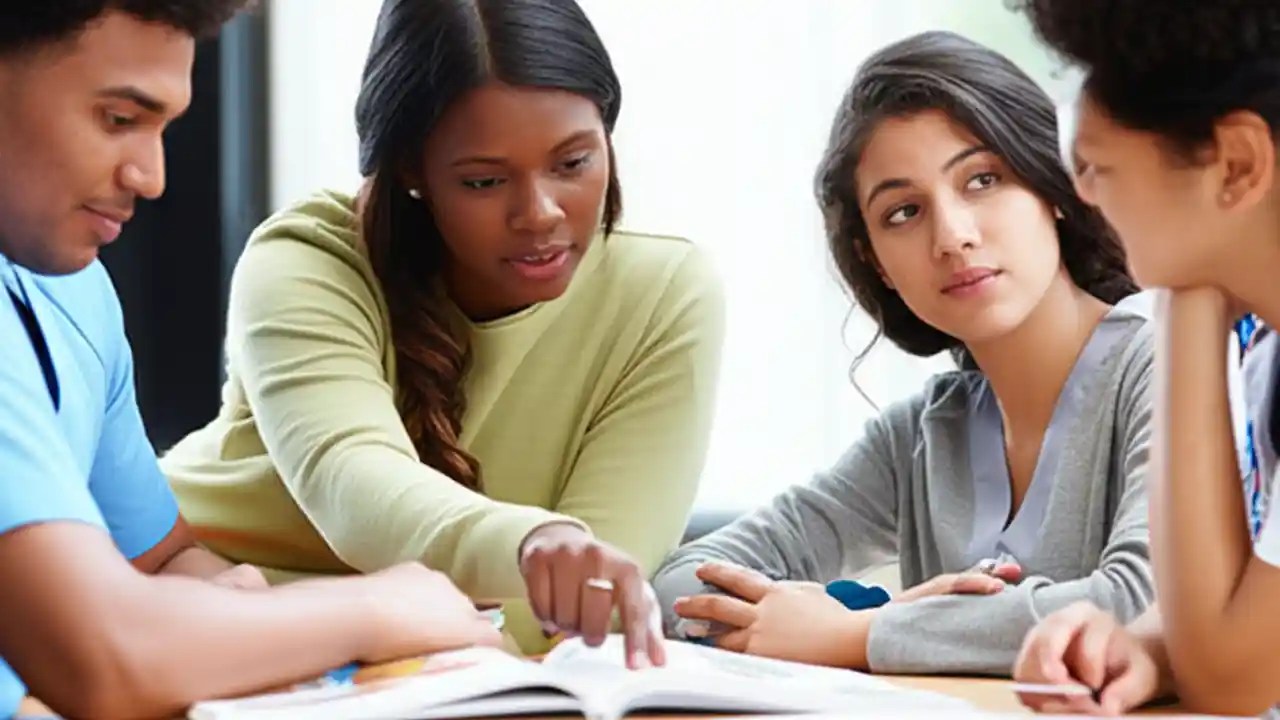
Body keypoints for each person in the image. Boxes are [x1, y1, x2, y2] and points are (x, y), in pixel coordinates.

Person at [160, 0, 724, 663]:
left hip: (431, 661)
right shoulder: (306, 261)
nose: (540, 214)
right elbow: (356, 489)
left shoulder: (663, 292)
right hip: (201, 608)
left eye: (573, 163)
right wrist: (530, 546)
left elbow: (587, 601)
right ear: (411, 171)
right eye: (484, 180)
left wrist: (519, 607)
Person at [0, 4, 507, 720]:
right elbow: (103, 656)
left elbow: (158, 559)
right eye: (118, 119)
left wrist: (240, 615)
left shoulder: (75, 292)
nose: (151, 177)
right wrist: (377, 608)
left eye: (163, 128)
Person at [651, 30, 1154, 677]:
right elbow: (680, 585)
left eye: (982, 180)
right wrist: (848, 618)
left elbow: (1142, 607)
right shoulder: (922, 433)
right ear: (875, 262)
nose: (952, 236)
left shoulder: (1166, 364)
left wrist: (866, 632)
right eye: (903, 212)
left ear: (1052, 186)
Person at [1012, 2, 1280, 716]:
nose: (1082, 194)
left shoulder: (1214, 319)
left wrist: (1180, 300)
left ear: (1237, 165)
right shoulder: (1262, 342)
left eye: (1099, 166)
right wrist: (1149, 650)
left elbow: (1233, 679)